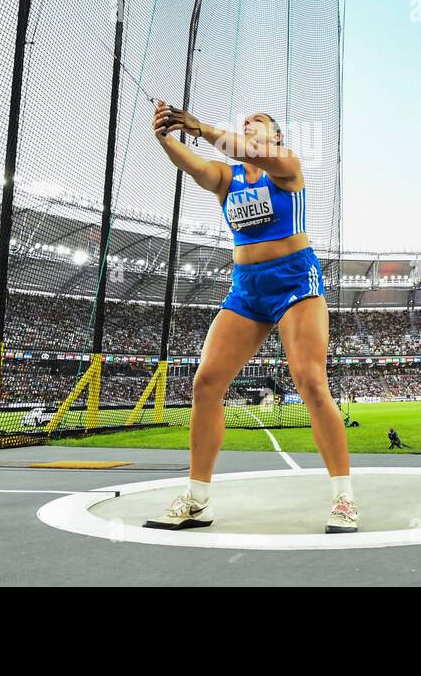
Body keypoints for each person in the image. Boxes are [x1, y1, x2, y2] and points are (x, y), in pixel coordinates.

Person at [143, 102, 356, 534]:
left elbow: (246, 153)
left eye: (257, 123)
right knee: (206, 383)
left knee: (311, 380)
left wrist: (200, 127)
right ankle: (197, 500)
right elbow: (196, 167)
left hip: (295, 280)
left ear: (276, 137)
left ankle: (344, 498)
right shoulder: (229, 178)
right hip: (246, 287)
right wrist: (166, 136)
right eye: (244, 124)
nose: (248, 127)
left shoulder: (287, 166)